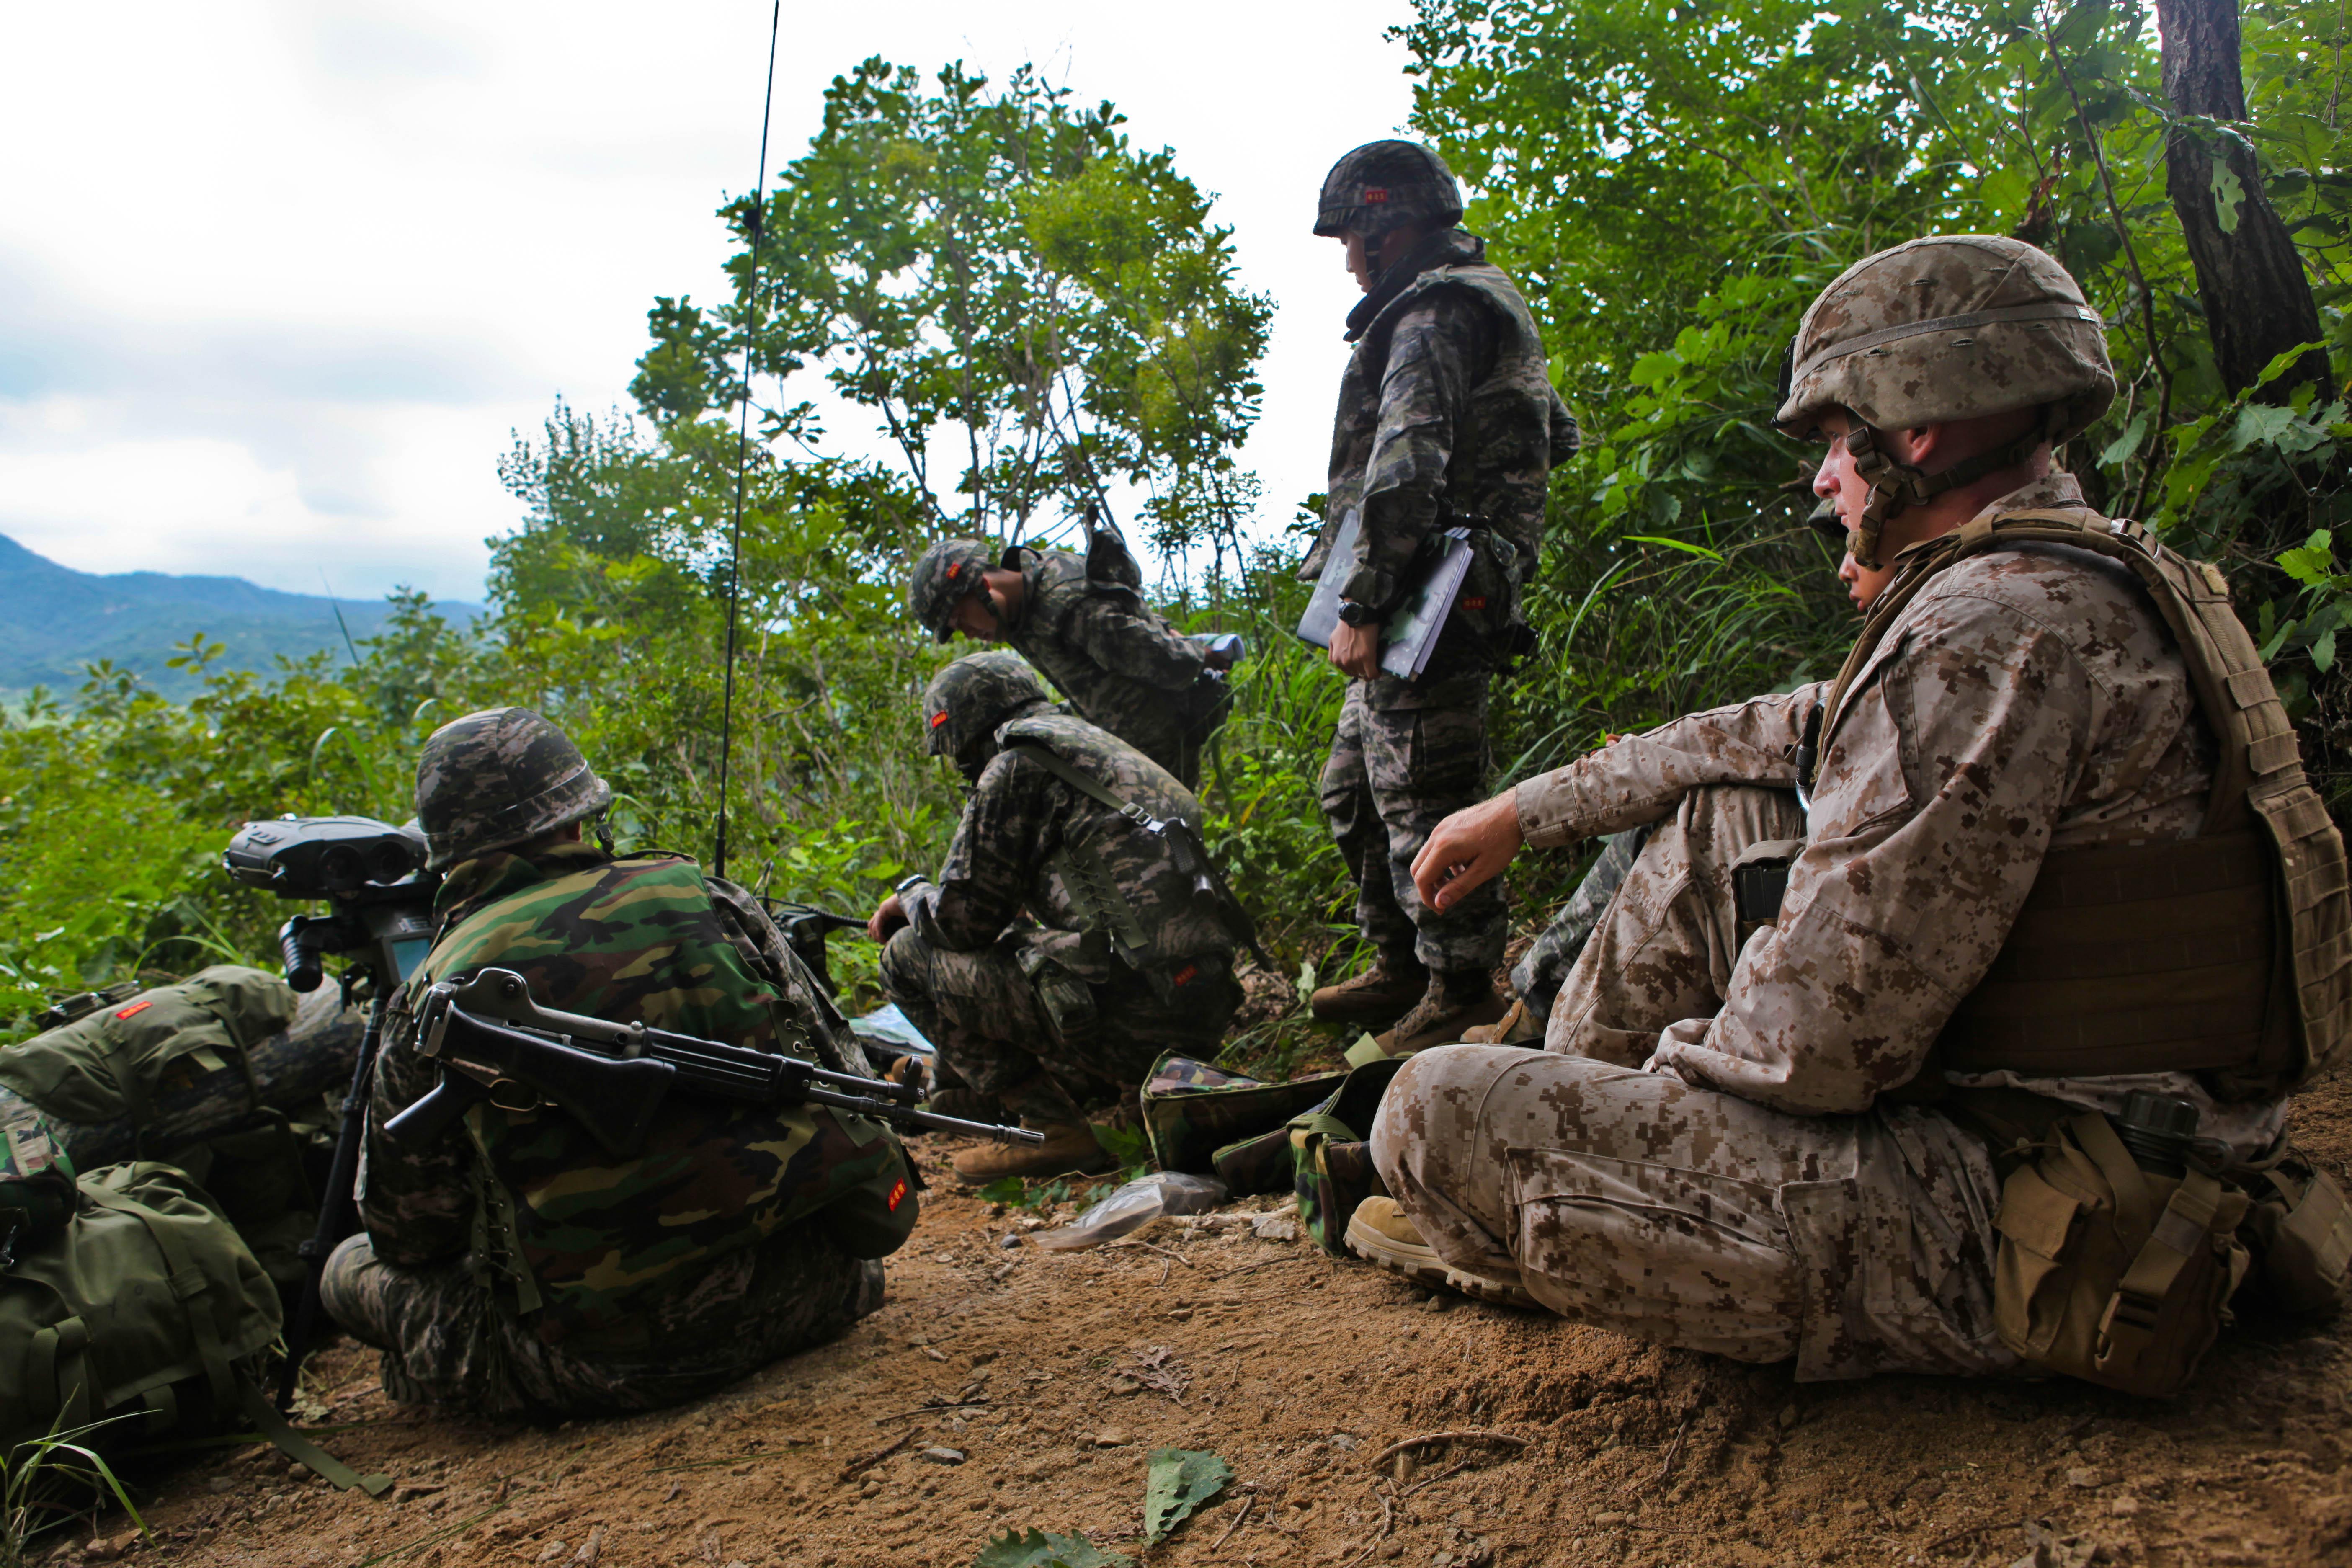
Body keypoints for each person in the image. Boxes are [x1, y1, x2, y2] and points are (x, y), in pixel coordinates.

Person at [1356, 234, 2351, 1383]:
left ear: (1913, 427)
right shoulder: (2094, 577)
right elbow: (1776, 729)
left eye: (1836, 441)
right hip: (2123, 1136)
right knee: (1717, 818)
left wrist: (1639, 1104)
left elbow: (1815, 1048)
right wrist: (1525, 810)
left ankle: (1564, 1201)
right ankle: (1578, 1157)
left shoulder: (1982, 631)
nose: (1826, 481)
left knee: (1430, 1113)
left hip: (2039, 1212)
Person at [322, 707, 918, 1417]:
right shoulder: (710, 898)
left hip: (603, 1363)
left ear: (449, 853)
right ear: (580, 818)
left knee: (346, 1268)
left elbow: (409, 1230)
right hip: (823, 1291)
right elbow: (842, 1071)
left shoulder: (432, 991)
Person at [1301, 138, 1581, 1050]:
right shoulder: (1473, 304)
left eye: (1354, 238)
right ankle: (1401, 970)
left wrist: (1364, 601)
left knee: (1423, 795)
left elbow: (1408, 461)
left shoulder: (1433, 313)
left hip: (1430, 592)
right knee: (1352, 789)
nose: (1348, 259)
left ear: (1392, 226)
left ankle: (1458, 989)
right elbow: (1551, 432)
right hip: (1433, 578)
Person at [867, 651, 1246, 1183]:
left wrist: (908, 896)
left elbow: (960, 922)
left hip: (1136, 1015)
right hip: (1200, 1002)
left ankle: (1050, 1129)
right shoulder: (1087, 745)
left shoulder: (1016, 764)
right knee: (1025, 951)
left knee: (904, 959)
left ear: (967, 732)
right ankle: (968, 1092)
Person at [907, 532, 1236, 789]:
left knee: (1171, 853)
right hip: (1124, 750)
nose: (968, 632)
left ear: (982, 586)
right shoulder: (1018, 614)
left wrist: (1204, 654)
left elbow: (1155, 656)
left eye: (962, 619)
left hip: (1161, 740)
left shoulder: (1064, 601)